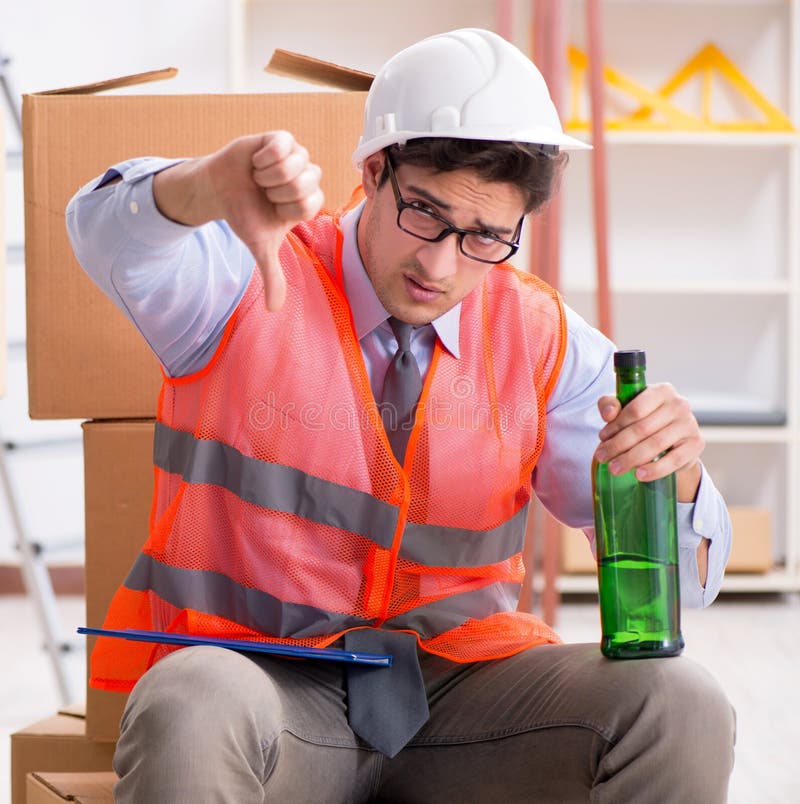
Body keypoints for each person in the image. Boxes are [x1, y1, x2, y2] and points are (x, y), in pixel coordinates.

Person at [67, 28, 735, 804]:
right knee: (190, 697)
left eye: (487, 235)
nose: (441, 265)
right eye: (425, 212)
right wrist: (201, 187)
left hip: (460, 699)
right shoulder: (245, 274)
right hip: (269, 690)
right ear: (374, 170)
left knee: (681, 702)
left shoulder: (544, 339)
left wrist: (678, 479)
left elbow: (687, 585)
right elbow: (100, 228)